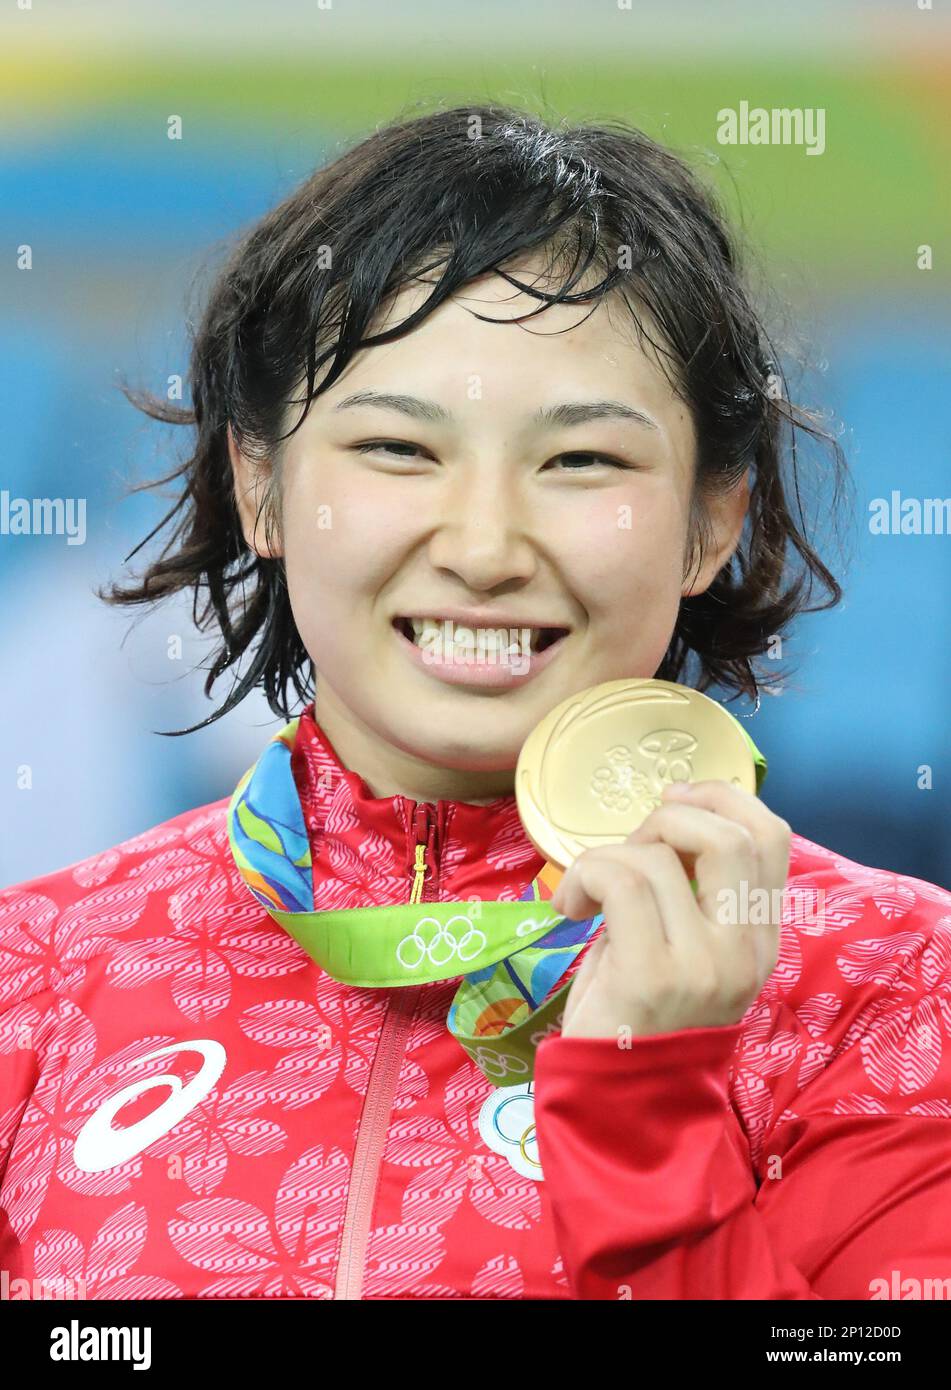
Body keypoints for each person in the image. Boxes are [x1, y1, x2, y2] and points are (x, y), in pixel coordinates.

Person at [2, 104, 949, 1302]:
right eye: (399, 450)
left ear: (715, 518)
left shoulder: (898, 992)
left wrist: (651, 1103)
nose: (487, 546)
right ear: (261, 488)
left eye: (581, 461)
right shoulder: (33, 973)